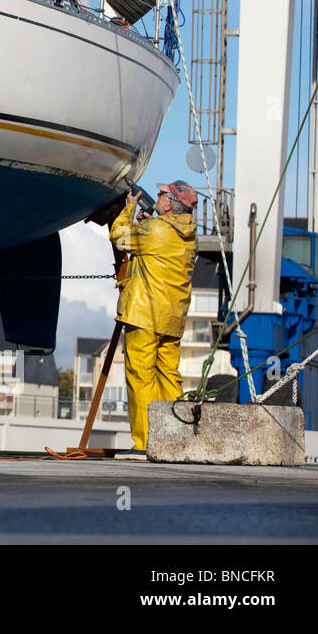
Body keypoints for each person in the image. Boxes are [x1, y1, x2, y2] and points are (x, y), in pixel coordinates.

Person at [110, 179, 198, 451]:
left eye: (161, 195)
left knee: (141, 377)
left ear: (170, 204)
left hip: (144, 315)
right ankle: (174, 442)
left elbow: (120, 237)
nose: (158, 197)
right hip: (172, 321)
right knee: (169, 377)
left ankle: (145, 443)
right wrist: (150, 222)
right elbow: (160, 242)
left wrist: (129, 209)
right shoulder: (189, 236)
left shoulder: (153, 230)